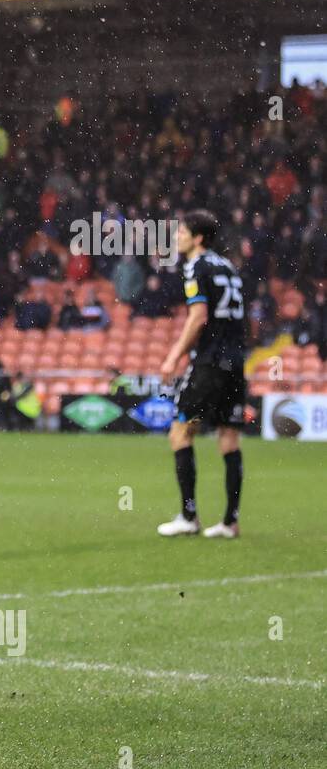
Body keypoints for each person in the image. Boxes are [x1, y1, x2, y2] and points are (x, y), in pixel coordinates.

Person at [157, 210, 246, 540]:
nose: (177, 236)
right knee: (228, 438)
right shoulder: (228, 266)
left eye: (182, 231)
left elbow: (198, 317)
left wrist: (172, 357)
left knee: (180, 433)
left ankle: (189, 516)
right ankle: (229, 521)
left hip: (210, 362)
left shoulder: (196, 266)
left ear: (198, 238)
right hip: (236, 362)